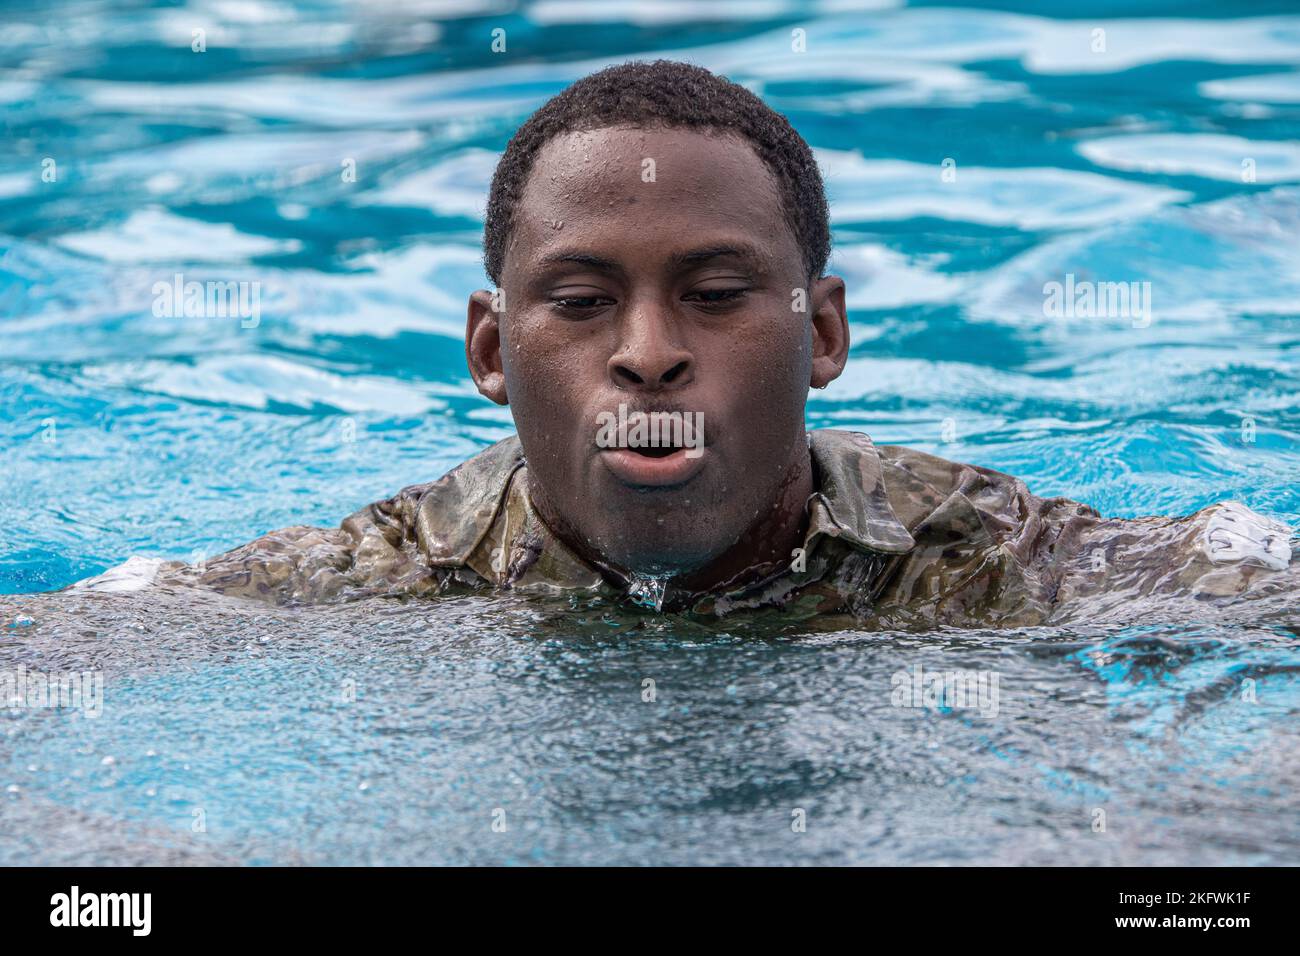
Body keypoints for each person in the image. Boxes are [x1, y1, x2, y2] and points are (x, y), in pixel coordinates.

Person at [126, 60, 1293, 626]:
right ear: (489, 350)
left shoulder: (989, 556)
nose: (647, 354)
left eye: (717, 293)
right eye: (579, 303)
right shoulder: (375, 581)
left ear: (822, 331)